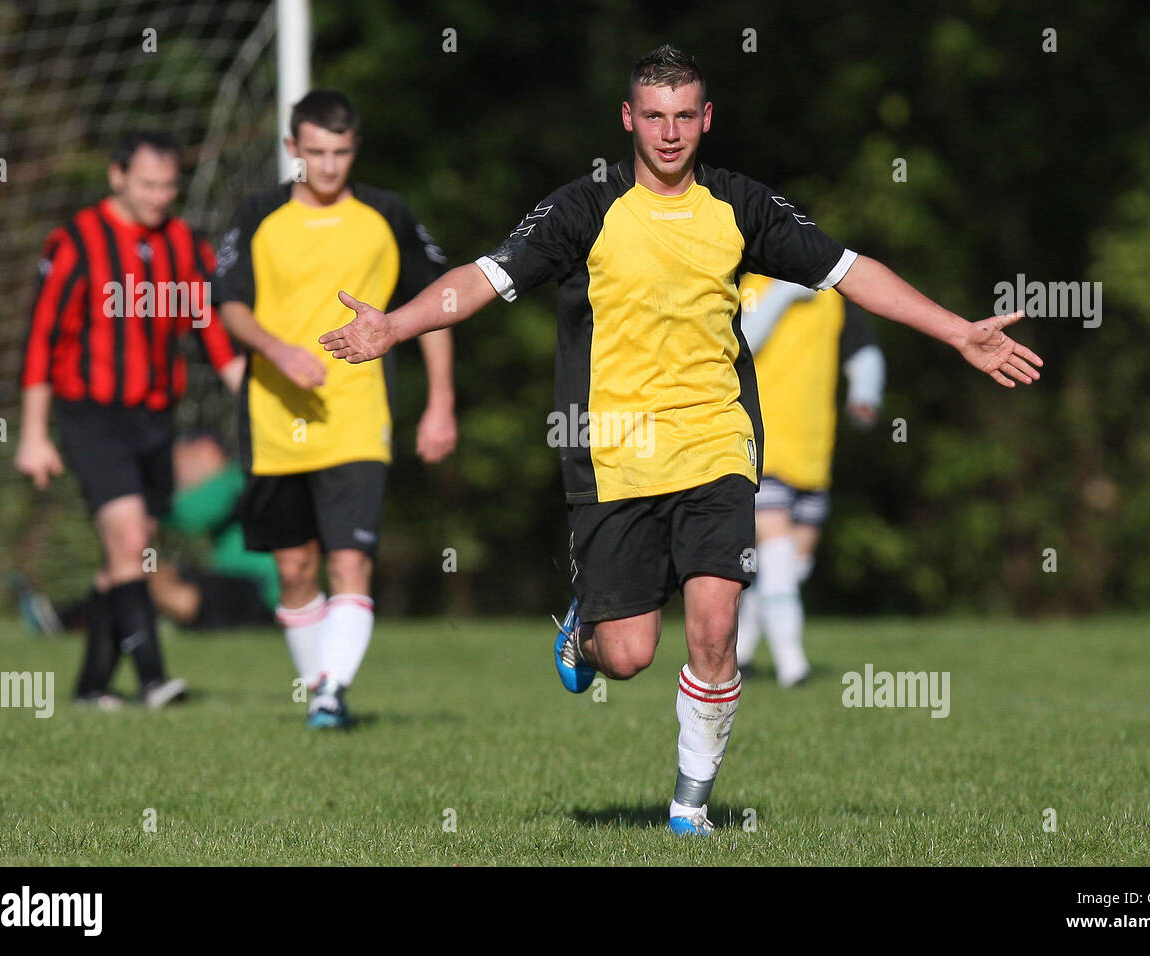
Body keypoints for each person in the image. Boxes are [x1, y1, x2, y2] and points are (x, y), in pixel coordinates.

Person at [320, 46, 1042, 832]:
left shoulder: (741, 206)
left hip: (717, 446)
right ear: (628, 118)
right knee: (628, 655)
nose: (670, 134)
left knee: (716, 625)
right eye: (655, 116)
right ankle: (584, 629)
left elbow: (848, 269)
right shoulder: (582, 208)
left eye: (685, 116)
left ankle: (688, 810)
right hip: (613, 455)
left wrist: (957, 332)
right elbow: (483, 278)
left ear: (707, 118)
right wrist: (394, 324)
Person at [215, 90, 456, 730]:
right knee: (294, 567)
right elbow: (229, 301)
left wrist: (441, 401)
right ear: (294, 149)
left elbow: (437, 304)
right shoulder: (258, 213)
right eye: (315, 152)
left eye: (341, 153)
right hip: (272, 416)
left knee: (350, 559)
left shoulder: (387, 213)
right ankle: (319, 687)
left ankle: (330, 695)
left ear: (355, 150)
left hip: (356, 415)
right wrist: (277, 350)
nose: (328, 166)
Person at [16, 129, 244, 711]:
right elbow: (41, 339)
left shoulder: (186, 245)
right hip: (93, 415)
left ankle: (92, 686)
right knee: (130, 538)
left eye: (169, 186)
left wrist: (253, 391)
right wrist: (34, 433)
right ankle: (153, 680)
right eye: (146, 184)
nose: (158, 197)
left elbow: (213, 333)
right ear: (117, 176)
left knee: (126, 558)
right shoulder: (76, 242)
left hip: (155, 419)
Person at [735, 276, 885, 687]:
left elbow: (863, 350)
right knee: (778, 554)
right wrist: (783, 293)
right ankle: (793, 664)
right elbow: (741, 340)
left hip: (813, 454)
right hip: (761, 446)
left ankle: (740, 651)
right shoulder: (747, 284)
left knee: (791, 566)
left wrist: (865, 393)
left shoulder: (833, 296)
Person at [12, 433, 280, 636]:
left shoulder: (233, 479)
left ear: (208, 450)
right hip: (230, 582)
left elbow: (193, 516)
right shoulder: (232, 480)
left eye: (187, 455)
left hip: (258, 587)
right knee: (145, 575)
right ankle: (67, 618)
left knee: (145, 578)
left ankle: (65, 619)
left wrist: (134, 507)